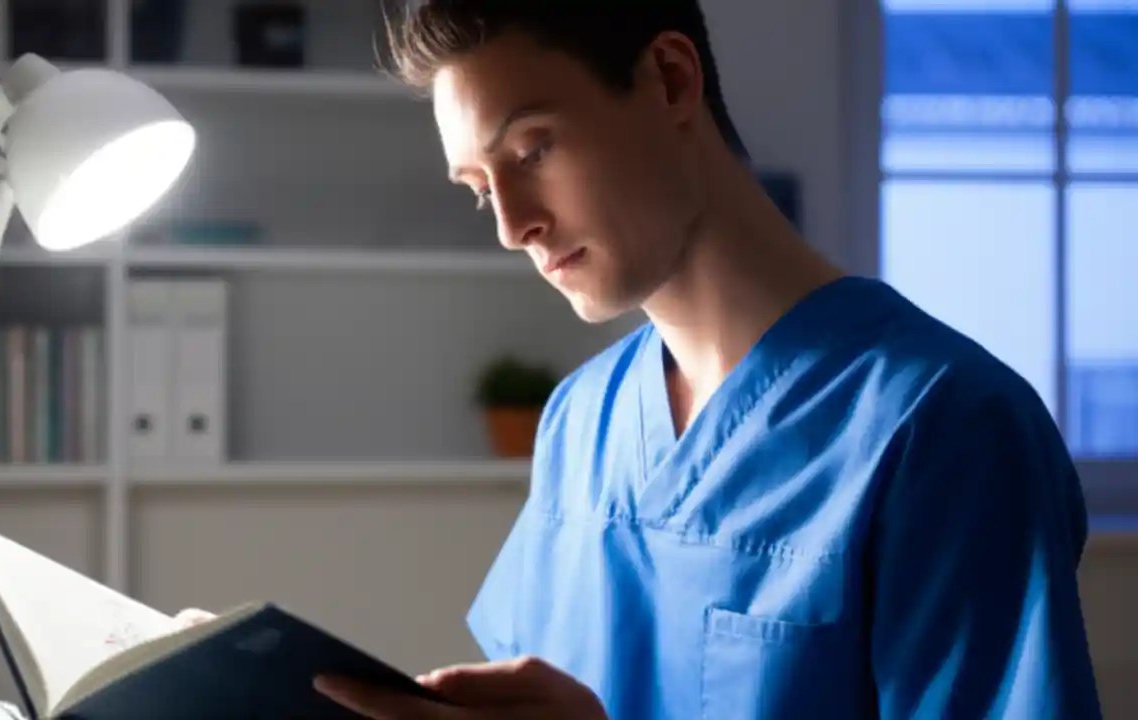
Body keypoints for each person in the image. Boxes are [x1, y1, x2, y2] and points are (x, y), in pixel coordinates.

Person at [188, 1, 1107, 717]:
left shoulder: (943, 428)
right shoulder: (580, 423)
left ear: (669, 80)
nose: (513, 225)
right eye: (480, 187)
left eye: (532, 149)